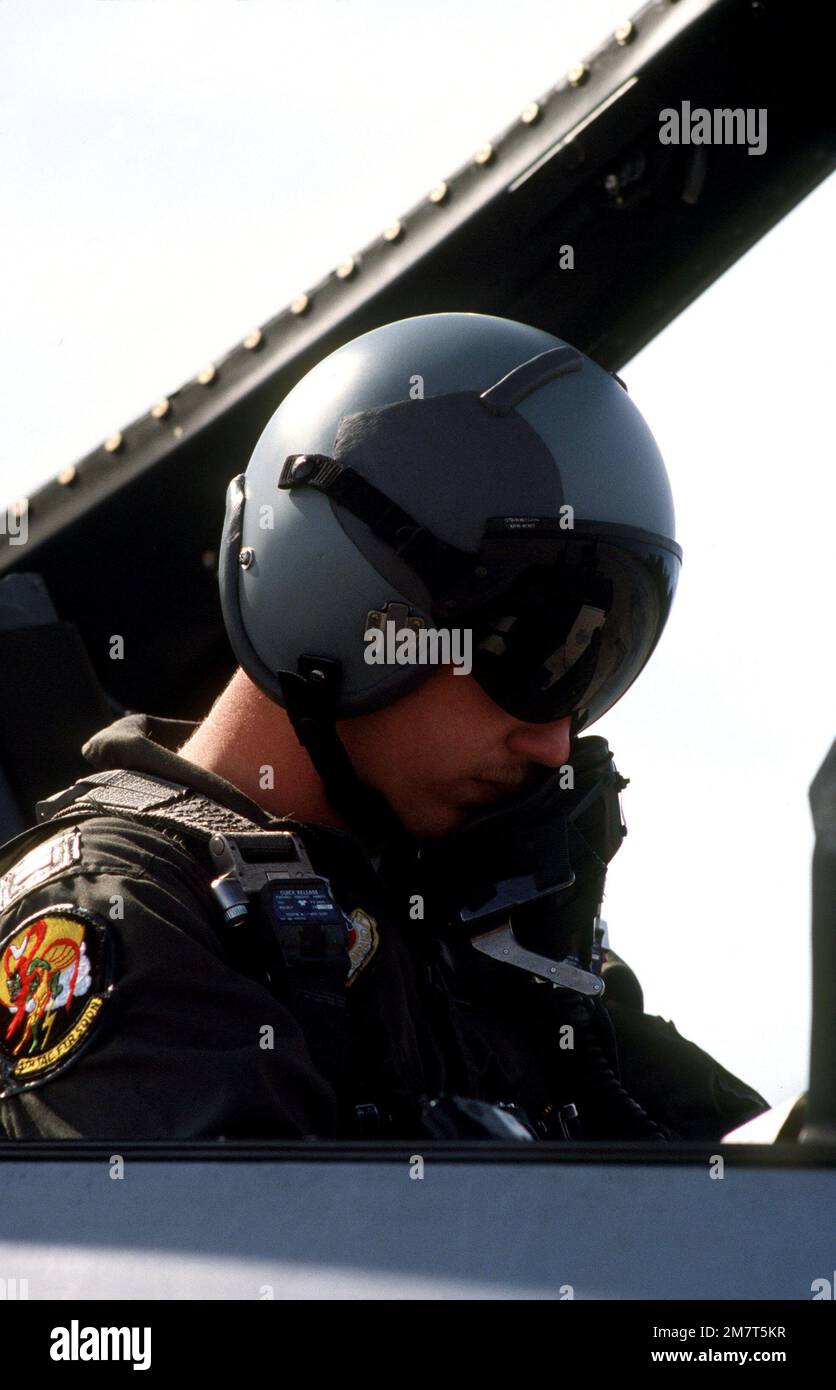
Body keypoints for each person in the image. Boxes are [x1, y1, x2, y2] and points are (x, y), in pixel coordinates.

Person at [0, 312, 767, 1141]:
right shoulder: (122, 912)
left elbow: (752, 1209)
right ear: (341, 598)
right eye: (535, 657)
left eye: (593, 676)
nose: (553, 746)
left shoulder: (488, 944)